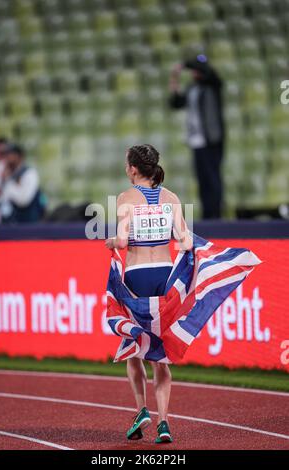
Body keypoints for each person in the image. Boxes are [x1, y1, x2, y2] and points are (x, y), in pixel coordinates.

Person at [105, 144, 193, 444]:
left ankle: (142, 409)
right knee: (161, 354)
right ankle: (164, 422)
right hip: (165, 276)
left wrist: (111, 243)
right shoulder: (171, 198)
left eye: (126, 163)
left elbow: (121, 240)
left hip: (137, 276)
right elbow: (186, 241)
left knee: (133, 345)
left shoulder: (126, 198)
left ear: (133, 168)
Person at [169, 54, 224, 219]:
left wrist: (184, 64)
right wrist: (174, 79)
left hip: (211, 139)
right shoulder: (192, 88)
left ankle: (216, 213)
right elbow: (176, 103)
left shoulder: (213, 85)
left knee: (213, 177)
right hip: (196, 140)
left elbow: (209, 73)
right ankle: (207, 213)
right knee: (202, 179)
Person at [0, 143, 46, 223]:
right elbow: (2, 200)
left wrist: (9, 182)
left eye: (10, 154)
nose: (7, 158)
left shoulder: (29, 173)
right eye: (6, 155)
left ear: (19, 156)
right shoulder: (6, 174)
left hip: (26, 225)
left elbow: (23, 200)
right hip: (9, 224)